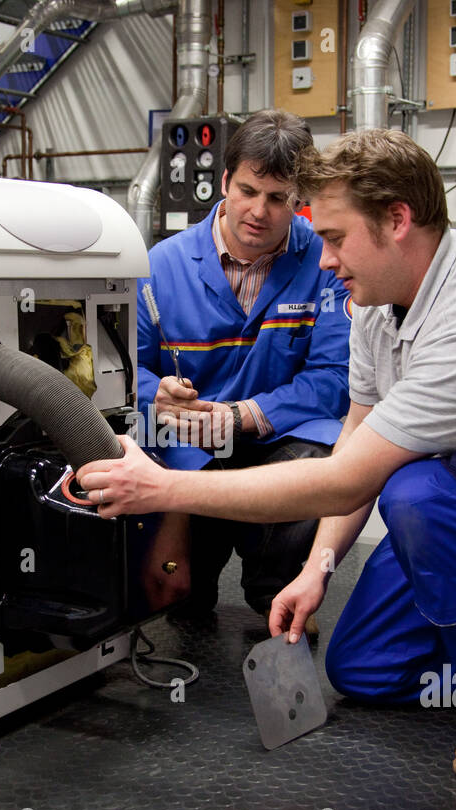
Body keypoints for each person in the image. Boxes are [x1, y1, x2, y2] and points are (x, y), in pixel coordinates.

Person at [81, 129, 456, 783]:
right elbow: (355, 438)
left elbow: (345, 479)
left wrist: (158, 490)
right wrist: (318, 571)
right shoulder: (375, 302)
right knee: (361, 668)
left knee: (414, 492)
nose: (324, 259)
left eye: (335, 237)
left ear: (396, 221)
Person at [136, 109, 349, 625]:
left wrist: (244, 416)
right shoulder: (160, 266)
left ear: (299, 201)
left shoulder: (325, 265)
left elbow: (335, 380)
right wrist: (157, 395)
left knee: (323, 454)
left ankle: (275, 585)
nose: (259, 211)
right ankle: (183, 563)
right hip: (189, 450)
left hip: (277, 445)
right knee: (184, 607)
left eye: (279, 198)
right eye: (249, 190)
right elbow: (127, 372)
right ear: (225, 182)